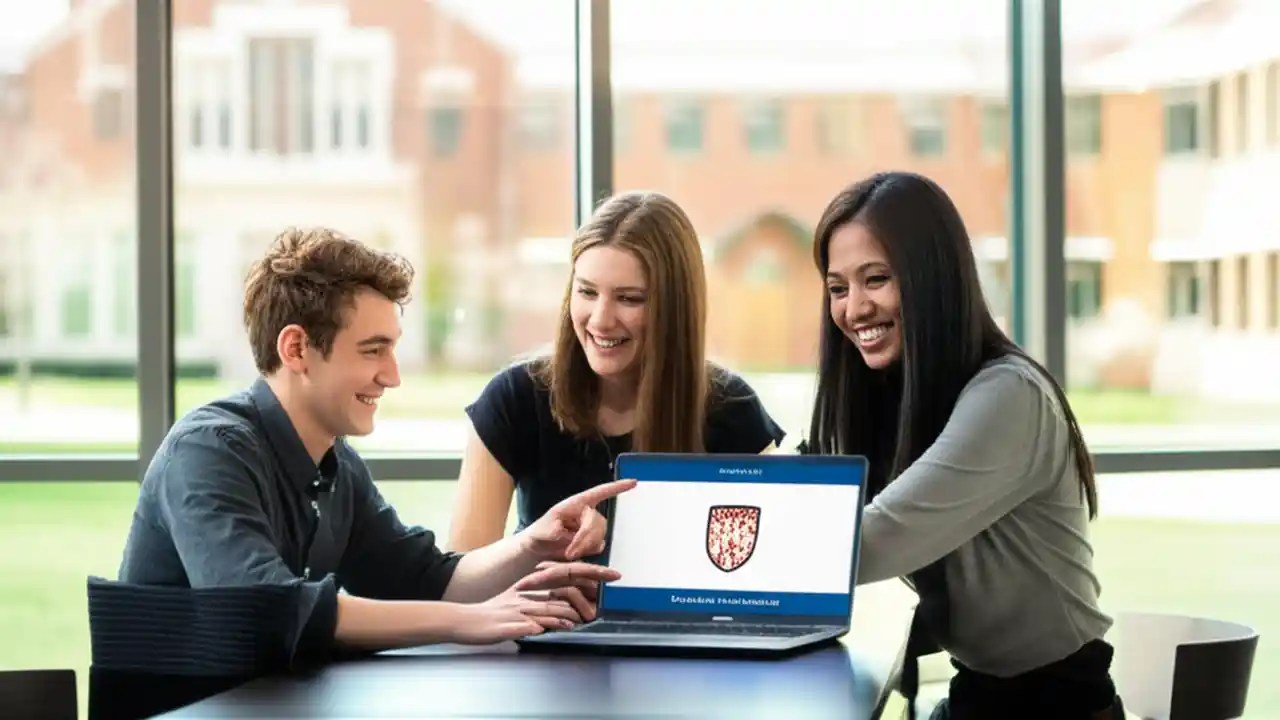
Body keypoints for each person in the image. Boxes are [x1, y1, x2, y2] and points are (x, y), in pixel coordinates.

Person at [118, 228, 632, 663]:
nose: (392, 376)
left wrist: (531, 546)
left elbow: (425, 578)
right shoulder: (207, 452)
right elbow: (275, 607)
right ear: (296, 349)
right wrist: (467, 621)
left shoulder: (335, 464)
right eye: (373, 350)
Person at [805, 172, 1123, 719]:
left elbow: (876, 538)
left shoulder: (1008, 396)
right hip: (977, 697)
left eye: (876, 279)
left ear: (933, 279)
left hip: (1059, 706)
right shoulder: (902, 395)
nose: (854, 309)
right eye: (838, 288)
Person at [448, 191, 785, 553]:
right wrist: (533, 553)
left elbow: (766, 565)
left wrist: (621, 543)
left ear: (674, 308)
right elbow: (462, 577)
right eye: (587, 292)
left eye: (629, 298)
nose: (601, 320)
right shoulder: (514, 397)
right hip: (536, 610)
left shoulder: (731, 407)